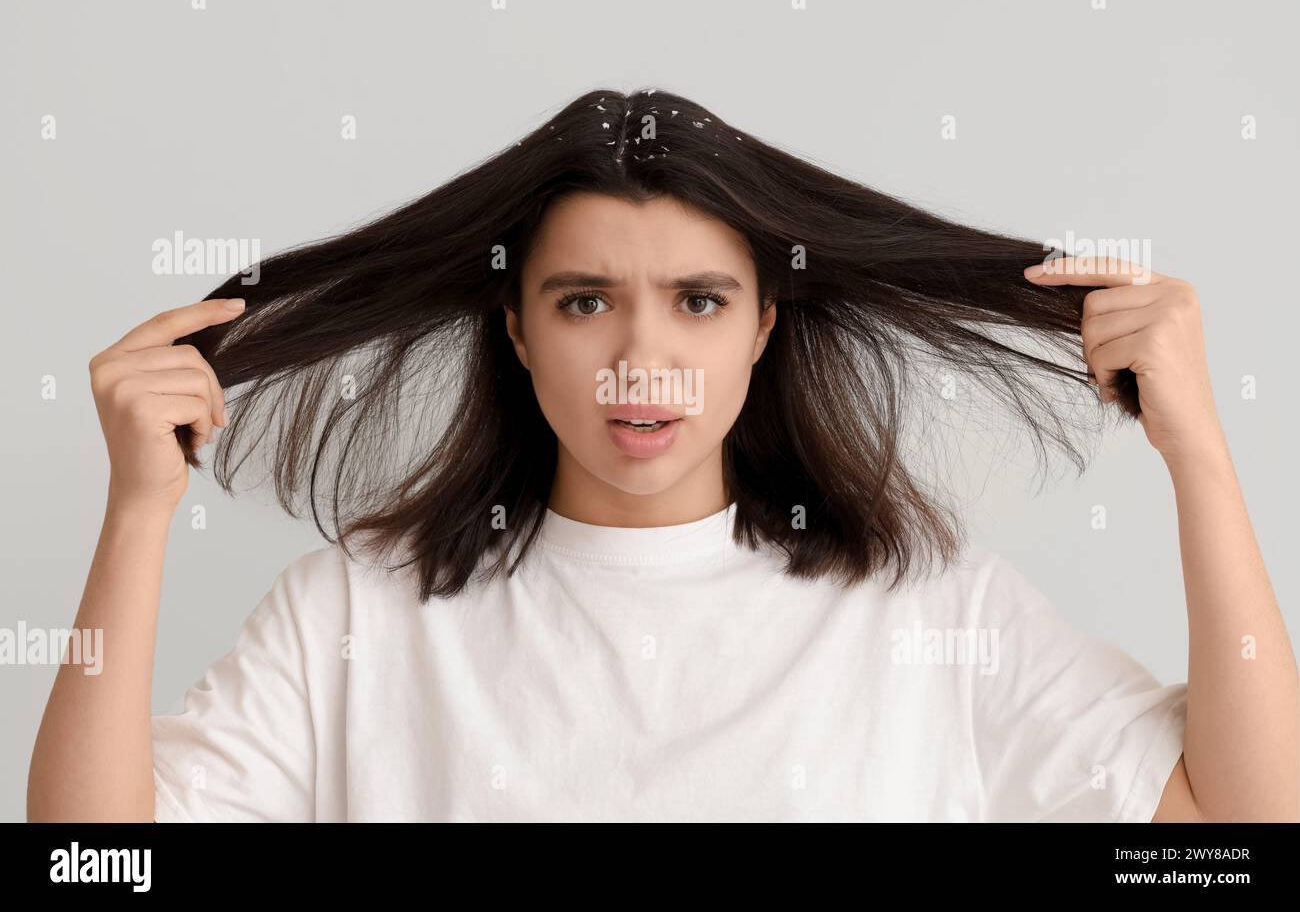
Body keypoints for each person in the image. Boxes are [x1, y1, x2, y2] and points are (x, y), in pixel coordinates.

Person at [27, 89, 1296, 822]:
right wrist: (137, 514)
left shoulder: (927, 616)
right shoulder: (354, 618)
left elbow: (1233, 835)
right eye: (585, 301)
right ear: (517, 327)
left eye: (696, 300)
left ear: (763, 325)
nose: (640, 357)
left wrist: (1202, 456)